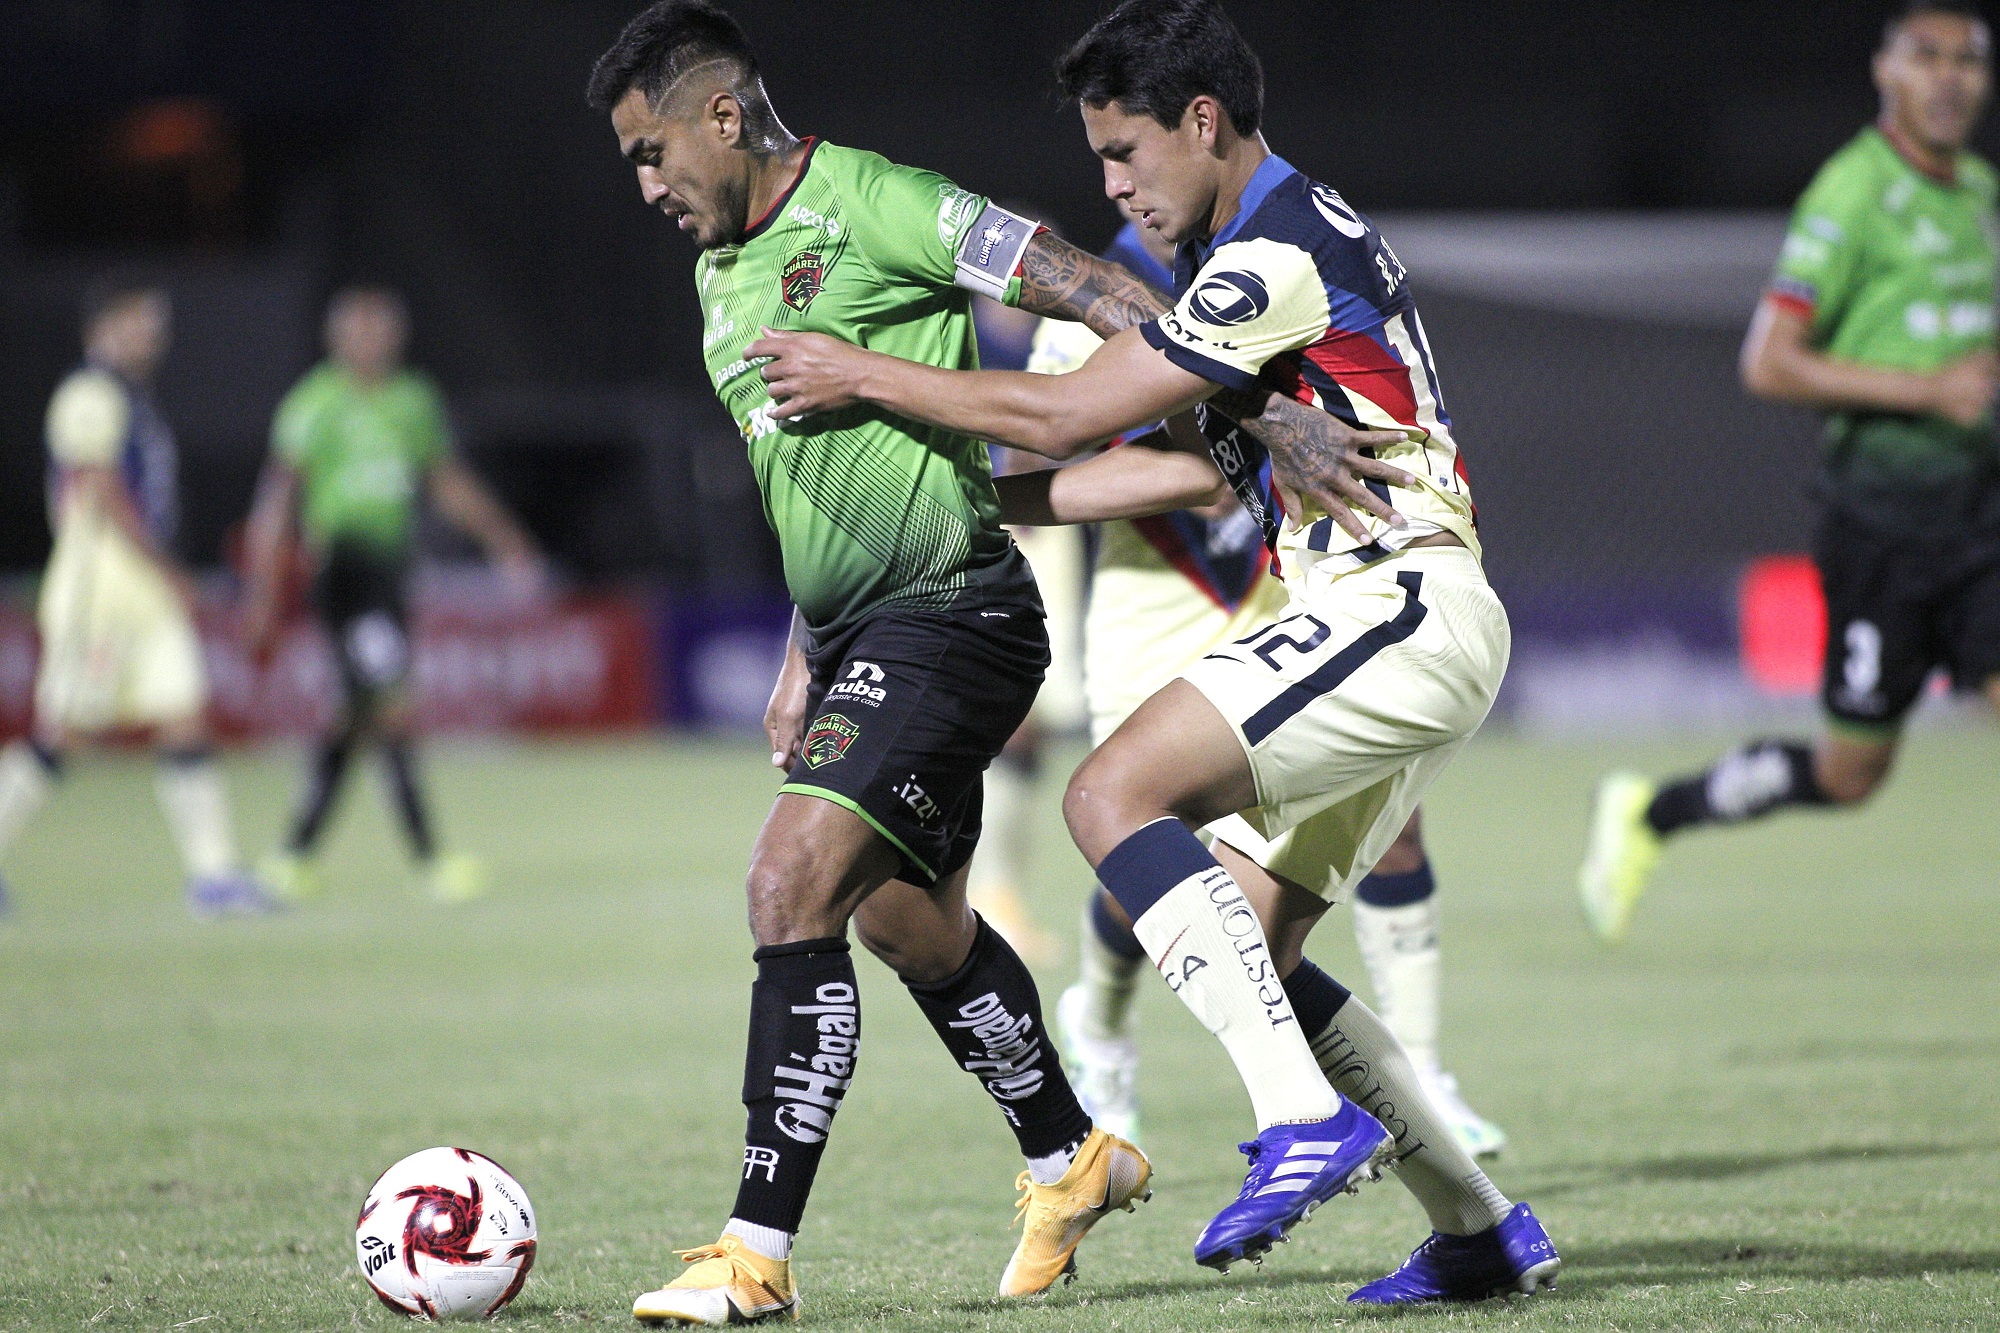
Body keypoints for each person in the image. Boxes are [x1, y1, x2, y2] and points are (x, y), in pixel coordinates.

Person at [588, 3, 1405, 1321]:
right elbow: (815, 475)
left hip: (954, 615)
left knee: (787, 883)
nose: (645, 184)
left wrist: (1250, 404)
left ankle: (754, 1253)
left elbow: (1092, 282)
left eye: (650, 150)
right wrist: (805, 651)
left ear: (723, 118)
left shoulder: (880, 203)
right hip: (860, 632)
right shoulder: (718, 278)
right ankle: (1071, 1152)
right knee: (906, 923)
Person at [750, 0, 1558, 1305]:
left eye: (1125, 153)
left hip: (1395, 601)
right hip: (1401, 613)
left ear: (1202, 121)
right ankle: (1475, 1226)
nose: (1112, 184)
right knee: (1258, 946)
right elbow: (1166, 471)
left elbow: (1069, 411)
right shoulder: (1275, 251)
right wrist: (962, 506)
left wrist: (867, 376)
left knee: (1106, 793)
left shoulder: (1268, 255)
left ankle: (1301, 1119)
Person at [1037, 213, 1508, 1161]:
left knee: (1369, 829)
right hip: (1156, 602)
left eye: (1132, 149)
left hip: (1281, 585)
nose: (1126, 187)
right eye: (1110, 159)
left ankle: (1414, 1075)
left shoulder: (1265, 276)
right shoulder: (1084, 314)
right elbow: (1055, 452)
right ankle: (1105, 1030)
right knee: (1142, 843)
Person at [1579, 0, 2000, 943]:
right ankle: (1654, 810)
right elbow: (1769, 361)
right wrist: (1927, 390)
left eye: (1967, 59)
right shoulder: (1853, 193)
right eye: (1925, 56)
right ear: (1886, 71)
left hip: (1979, 521)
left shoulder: (1977, 191)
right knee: (1852, 775)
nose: (1948, 76)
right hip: (1882, 529)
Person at [243, 288, 543, 904]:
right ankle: (429, 858)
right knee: (390, 709)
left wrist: (505, 540)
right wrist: (262, 592)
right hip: (342, 572)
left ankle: (293, 856)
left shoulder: (412, 401)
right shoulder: (315, 403)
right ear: (337, 338)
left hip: (388, 573)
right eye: (360, 331)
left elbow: (446, 481)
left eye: (382, 331)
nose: (372, 342)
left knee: (357, 716)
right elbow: (278, 501)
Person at [0, 283, 268, 918]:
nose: (157, 336)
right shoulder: (89, 394)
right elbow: (98, 489)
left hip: (143, 599)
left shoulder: (132, 399)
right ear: (107, 326)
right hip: (101, 594)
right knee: (61, 735)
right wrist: (169, 569)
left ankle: (215, 877)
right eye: (145, 323)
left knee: (184, 720)